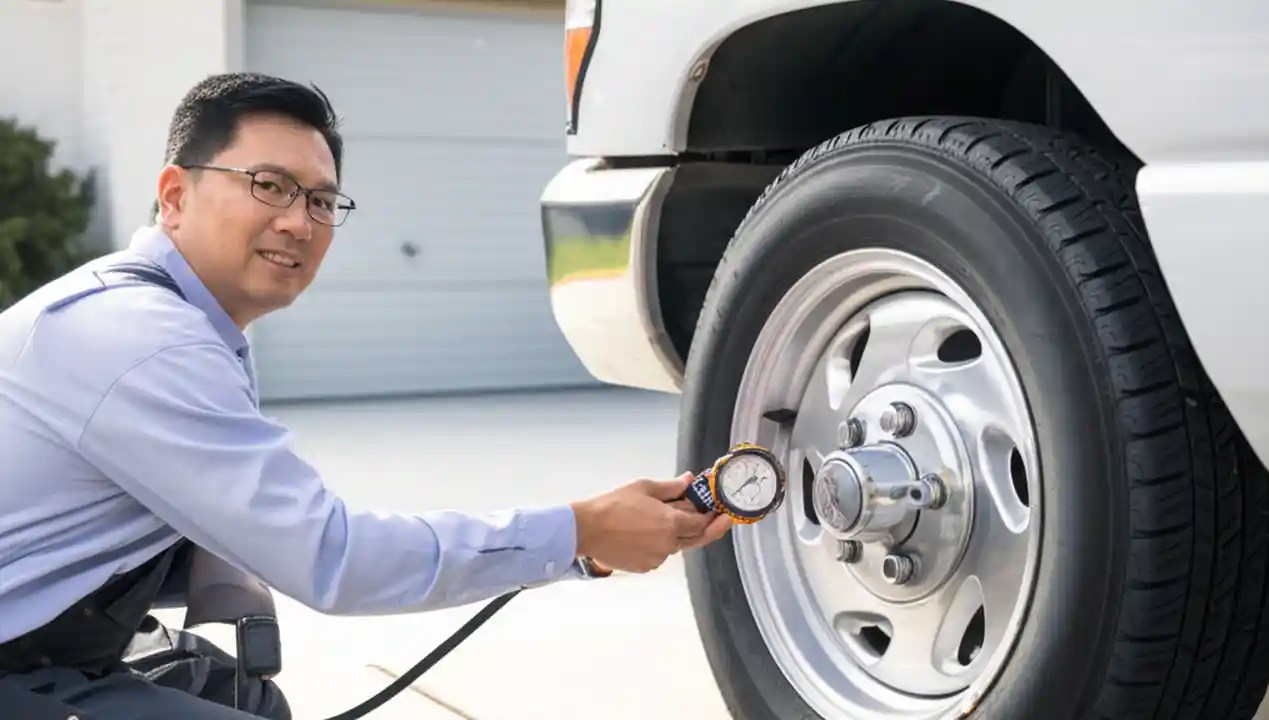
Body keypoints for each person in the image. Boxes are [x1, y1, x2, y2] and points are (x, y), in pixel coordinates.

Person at [0, 72, 733, 719]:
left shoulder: (170, 320)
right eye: (269, 185)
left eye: (321, 200)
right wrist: (579, 531)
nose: (298, 221)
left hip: (52, 640)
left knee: (245, 694)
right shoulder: (145, 339)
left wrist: (583, 542)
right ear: (174, 195)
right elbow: (334, 559)